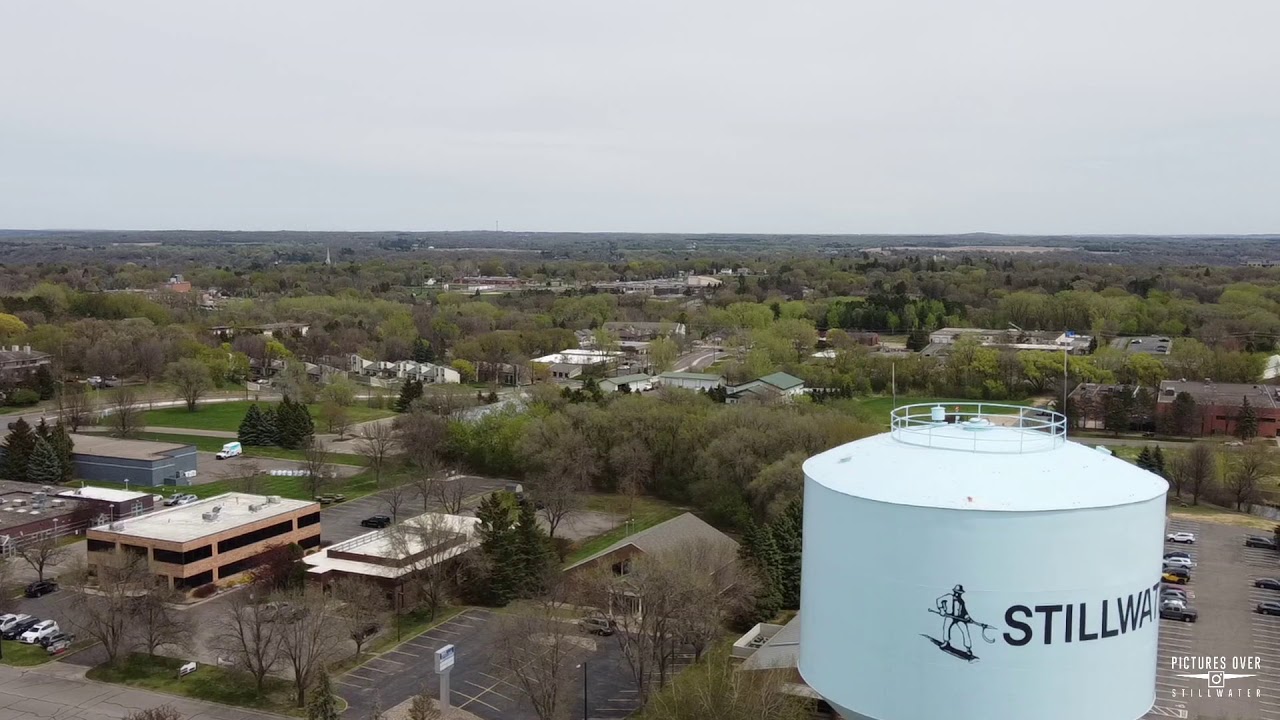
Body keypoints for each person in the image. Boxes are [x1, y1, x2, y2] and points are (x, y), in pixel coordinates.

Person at [935, 584, 973, 654]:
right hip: (949, 616)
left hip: (959, 618)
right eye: (957, 592)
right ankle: (946, 642)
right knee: (946, 628)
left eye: (959, 593)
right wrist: (941, 609)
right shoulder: (948, 596)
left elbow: (964, 611)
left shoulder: (961, 601)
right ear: (954, 591)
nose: (958, 594)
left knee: (965, 630)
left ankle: (968, 648)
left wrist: (967, 617)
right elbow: (938, 600)